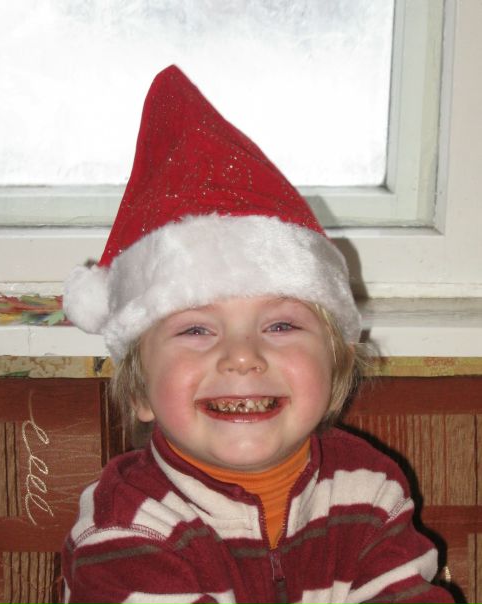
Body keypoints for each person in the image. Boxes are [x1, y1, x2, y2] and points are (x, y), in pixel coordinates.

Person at [61, 65, 454, 604]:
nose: (242, 356)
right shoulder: (125, 523)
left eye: (281, 325)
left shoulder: (369, 487)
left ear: (335, 370)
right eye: (196, 329)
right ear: (139, 392)